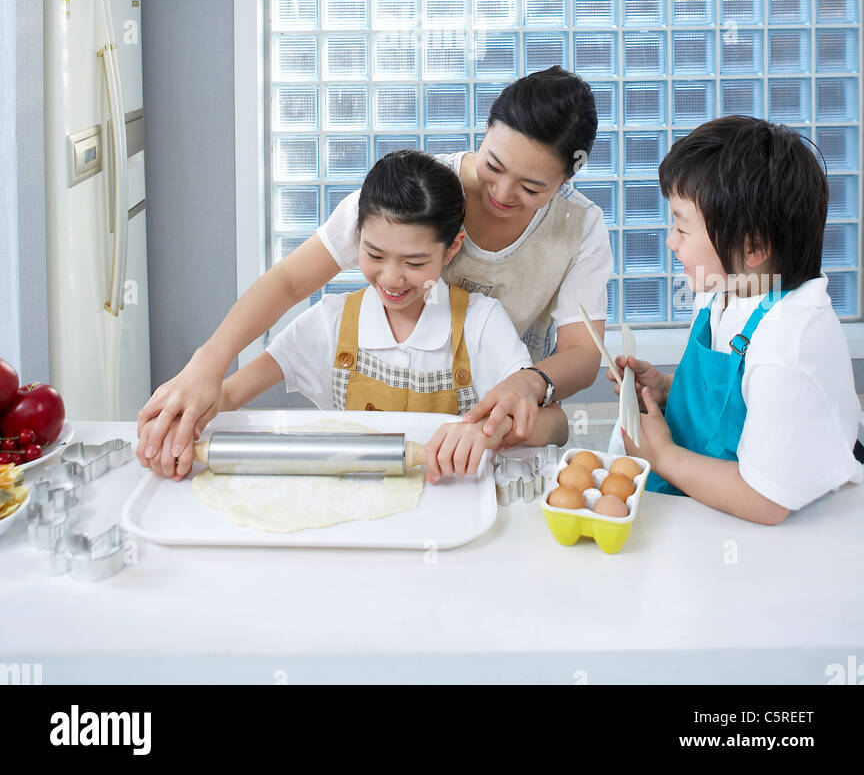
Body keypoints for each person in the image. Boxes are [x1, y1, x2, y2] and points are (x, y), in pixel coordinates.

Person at [137, 66, 613, 479]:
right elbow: (289, 280)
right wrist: (206, 366)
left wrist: (526, 387)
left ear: (567, 181)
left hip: (499, 406)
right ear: (486, 131)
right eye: (494, 164)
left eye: (532, 187)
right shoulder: (415, 194)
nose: (503, 193)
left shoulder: (578, 231)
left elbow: (581, 356)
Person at [214, 150, 568, 480]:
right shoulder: (330, 323)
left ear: (452, 249)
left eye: (414, 263)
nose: (391, 279)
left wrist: (489, 432)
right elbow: (229, 395)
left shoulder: (480, 323)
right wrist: (185, 405)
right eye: (375, 255)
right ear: (357, 240)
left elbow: (557, 423)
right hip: (355, 507)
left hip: (452, 508)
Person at [606, 117, 863, 523]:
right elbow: (737, 399)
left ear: (753, 245)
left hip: (783, 524)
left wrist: (663, 456)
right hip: (709, 495)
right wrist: (669, 390)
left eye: (681, 227)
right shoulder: (723, 287)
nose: (671, 241)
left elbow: (765, 501)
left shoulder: (788, 345)